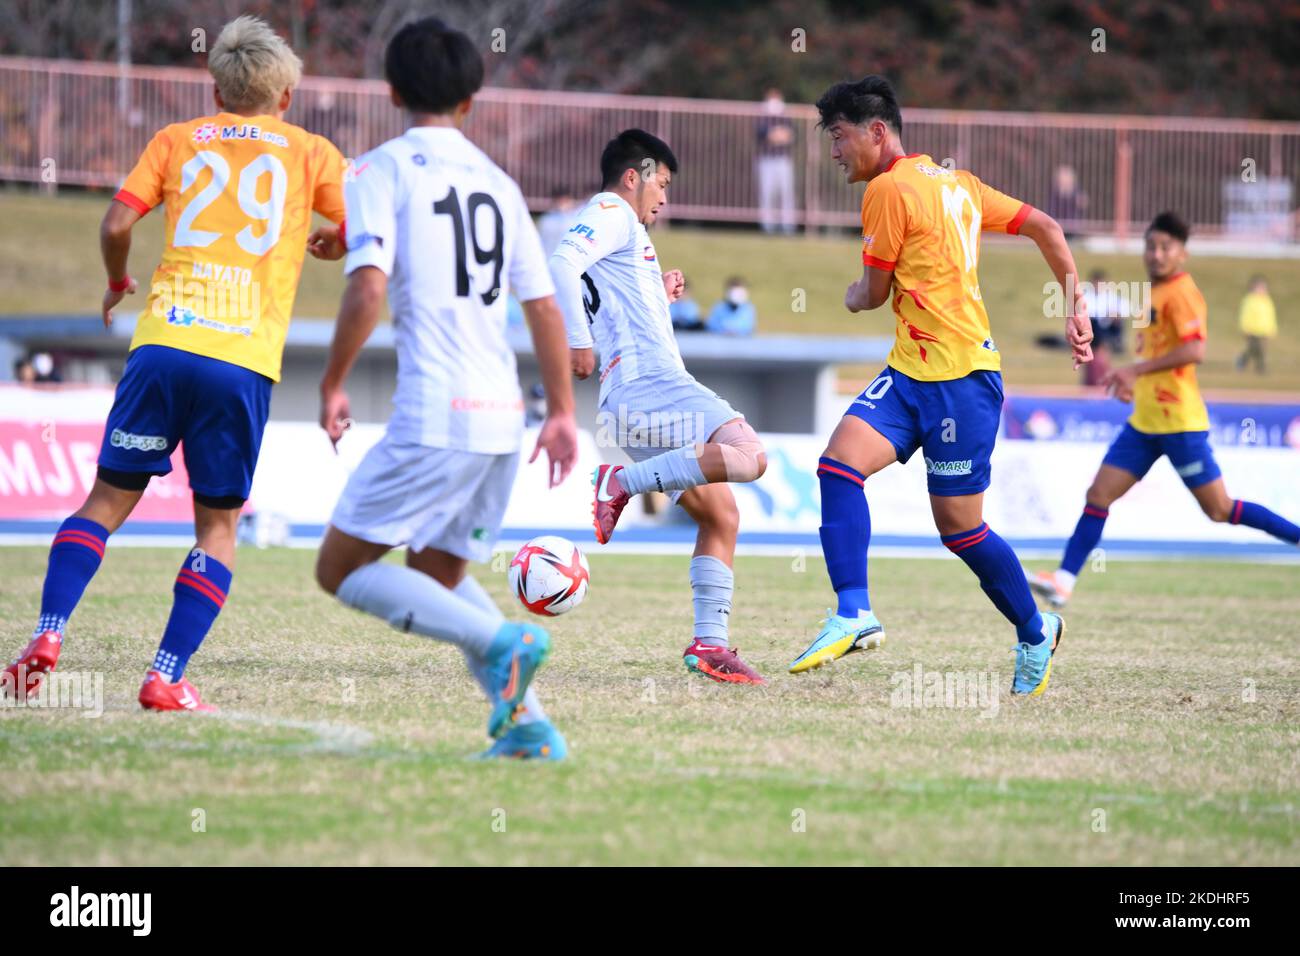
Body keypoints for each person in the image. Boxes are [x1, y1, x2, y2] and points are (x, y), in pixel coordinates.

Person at [2, 16, 347, 711]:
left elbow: (115, 223)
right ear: (285, 97)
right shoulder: (311, 152)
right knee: (217, 527)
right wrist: (334, 244)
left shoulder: (176, 139)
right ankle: (165, 675)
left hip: (162, 345)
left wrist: (117, 281)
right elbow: (362, 230)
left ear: (214, 86)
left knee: (102, 503)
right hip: (240, 359)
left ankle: (46, 634)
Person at [307, 17, 578, 760]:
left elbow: (367, 292)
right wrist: (560, 412)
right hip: (502, 421)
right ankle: (528, 728)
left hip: (435, 415)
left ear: (391, 90)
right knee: (435, 572)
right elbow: (545, 305)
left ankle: (505, 641)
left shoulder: (377, 170)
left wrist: (332, 382)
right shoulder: (500, 182)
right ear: (473, 94)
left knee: (342, 569)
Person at [786, 76, 1092, 698]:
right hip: (909, 373)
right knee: (838, 468)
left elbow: (870, 294)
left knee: (961, 531)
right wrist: (1075, 303)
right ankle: (853, 612)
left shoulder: (888, 190)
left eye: (840, 137)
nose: (836, 152)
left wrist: (849, 297)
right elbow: (1048, 229)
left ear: (878, 132)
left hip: (960, 382)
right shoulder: (960, 184)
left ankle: (1036, 630)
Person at [551, 129, 769, 684]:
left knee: (721, 514)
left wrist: (658, 292)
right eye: (662, 183)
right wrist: (577, 339)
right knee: (749, 454)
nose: (664, 198)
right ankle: (620, 484)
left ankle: (709, 645)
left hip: (629, 397)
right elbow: (561, 262)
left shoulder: (622, 236)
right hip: (652, 386)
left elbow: (614, 299)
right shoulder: (612, 210)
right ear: (634, 176)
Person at [1030, 214, 1300, 608]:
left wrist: (1134, 370)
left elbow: (1195, 350)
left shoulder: (1183, 292)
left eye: (1165, 247)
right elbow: (1155, 354)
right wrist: (1132, 383)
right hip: (1144, 423)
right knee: (1099, 494)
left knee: (1219, 509)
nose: (1156, 254)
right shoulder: (1149, 294)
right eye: (1151, 246)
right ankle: (1064, 580)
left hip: (1179, 424)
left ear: (1182, 253)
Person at [755, 89, 796, 235]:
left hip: (783, 160)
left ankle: (788, 226)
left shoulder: (785, 116)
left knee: (786, 193)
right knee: (767, 194)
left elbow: (790, 135)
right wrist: (775, 135)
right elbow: (762, 134)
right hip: (766, 160)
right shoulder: (762, 117)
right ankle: (767, 226)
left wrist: (776, 135)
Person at [1081, 268, 1129, 386]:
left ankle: (1109, 346)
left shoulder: (1111, 297)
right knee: (1094, 323)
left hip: (1108, 330)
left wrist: (1114, 315)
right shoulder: (1086, 297)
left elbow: (1125, 310)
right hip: (1093, 330)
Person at [1235, 274, 1276, 374]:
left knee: (1261, 350)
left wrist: (1272, 329)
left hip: (1263, 330)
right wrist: (1245, 328)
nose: (1261, 290)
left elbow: (1270, 316)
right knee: (1253, 349)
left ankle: (1260, 368)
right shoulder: (1249, 300)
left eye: (1263, 287)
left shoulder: (1267, 301)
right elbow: (1245, 315)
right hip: (1252, 330)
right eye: (1259, 288)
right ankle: (1243, 361)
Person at [537, 186, 579, 256]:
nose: (562, 204)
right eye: (559, 201)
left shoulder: (576, 218)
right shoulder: (546, 219)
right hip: (549, 257)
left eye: (565, 201)